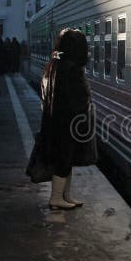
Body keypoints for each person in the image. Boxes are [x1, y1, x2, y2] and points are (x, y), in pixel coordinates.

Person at [38, 28, 97, 210]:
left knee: (67, 158)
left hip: (61, 119)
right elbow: (75, 97)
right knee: (63, 158)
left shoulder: (58, 64)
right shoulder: (70, 69)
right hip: (68, 121)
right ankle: (56, 198)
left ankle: (65, 195)